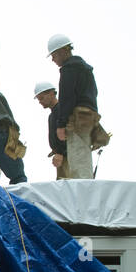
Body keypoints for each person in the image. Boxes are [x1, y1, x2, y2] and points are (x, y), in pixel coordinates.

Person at [46, 34, 109, 179]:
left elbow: (67, 98)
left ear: (63, 51)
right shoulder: (84, 69)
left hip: (78, 120)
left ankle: (84, 194)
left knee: (78, 162)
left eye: (54, 55)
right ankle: (86, 190)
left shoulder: (69, 69)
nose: (53, 59)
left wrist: (61, 124)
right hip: (88, 118)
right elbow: (93, 94)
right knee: (83, 158)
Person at [34, 81, 66, 179]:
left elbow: (66, 134)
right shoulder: (52, 115)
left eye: (42, 98)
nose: (40, 101)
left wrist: (61, 152)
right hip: (61, 157)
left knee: (70, 186)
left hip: (66, 156)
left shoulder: (62, 110)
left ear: (51, 93)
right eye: (39, 99)